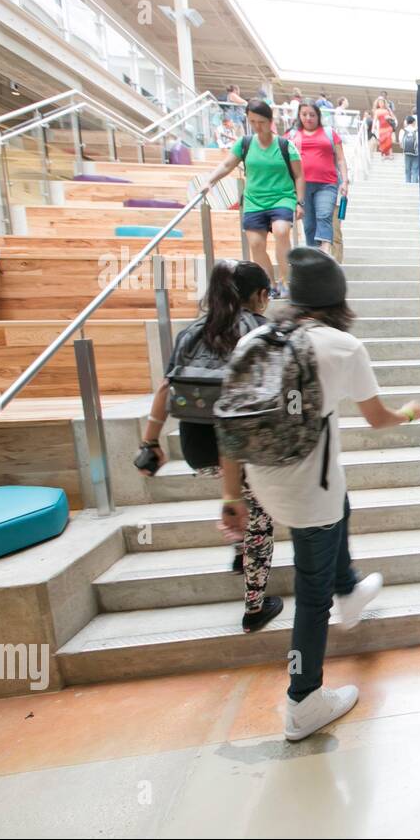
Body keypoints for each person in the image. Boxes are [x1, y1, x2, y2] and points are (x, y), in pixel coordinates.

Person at [218, 248, 420, 741]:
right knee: (312, 599)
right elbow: (378, 419)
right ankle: (302, 701)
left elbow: (228, 421)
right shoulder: (342, 346)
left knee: (341, 508)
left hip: (266, 483)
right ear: (339, 300)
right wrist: (411, 413)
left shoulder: (256, 338)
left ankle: (349, 586)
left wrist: (232, 495)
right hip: (313, 493)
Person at [136, 260, 282, 633]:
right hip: (243, 446)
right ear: (261, 296)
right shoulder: (262, 331)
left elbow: (164, 389)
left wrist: (151, 442)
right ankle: (254, 608)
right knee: (259, 522)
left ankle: (240, 554)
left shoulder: (193, 331)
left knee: (237, 500)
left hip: (197, 448)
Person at [204, 99, 304, 296]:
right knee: (256, 244)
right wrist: (210, 181)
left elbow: (300, 175)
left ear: (270, 120)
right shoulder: (245, 144)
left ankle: (286, 281)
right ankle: (270, 284)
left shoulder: (285, 146)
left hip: (281, 197)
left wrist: (300, 202)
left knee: (281, 231)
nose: (258, 126)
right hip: (254, 200)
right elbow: (226, 165)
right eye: (253, 122)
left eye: (262, 122)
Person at [287, 101, 348, 255]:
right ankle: (313, 259)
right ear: (299, 116)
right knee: (309, 225)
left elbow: (341, 159)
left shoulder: (329, 133)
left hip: (327, 183)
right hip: (302, 186)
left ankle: (325, 252)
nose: (308, 118)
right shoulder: (292, 135)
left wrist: (345, 181)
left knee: (324, 215)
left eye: (312, 115)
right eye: (304, 114)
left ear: (318, 116)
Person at [400, 114, 419, 184]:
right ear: (414, 122)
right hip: (416, 153)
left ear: (407, 122)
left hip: (406, 153)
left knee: (407, 169)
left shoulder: (403, 131)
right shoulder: (416, 131)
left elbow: (401, 142)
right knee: (415, 169)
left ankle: (407, 183)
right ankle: (414, 185)